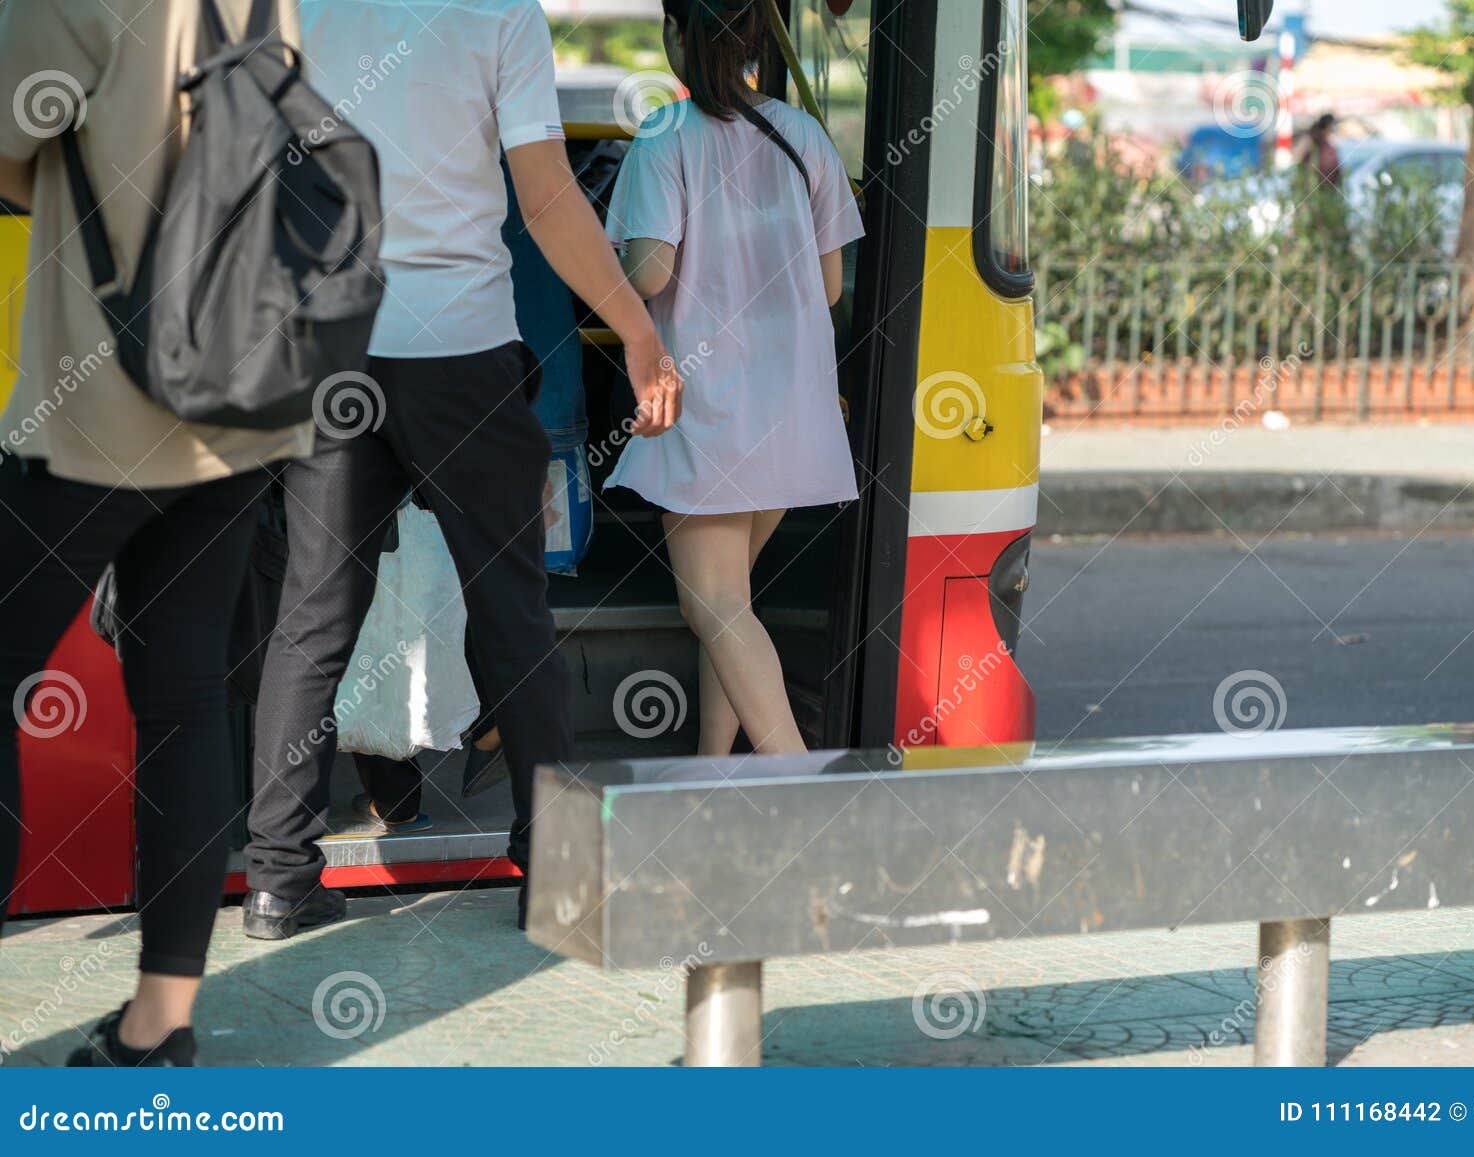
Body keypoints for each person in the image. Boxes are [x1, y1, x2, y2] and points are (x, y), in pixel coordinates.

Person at [241, 0, 681, 938]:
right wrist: (638, 330)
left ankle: (277, 876)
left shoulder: (295, 9)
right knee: (511, 605)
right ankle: (553, 869)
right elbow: (548, 196)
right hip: (461, 348)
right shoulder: (498, 12)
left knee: (315, 610)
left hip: (333, 349)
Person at [0, 1, 314, 1065]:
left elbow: (5, 150)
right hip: (238, 408)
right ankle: (160, 1025)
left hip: (97, 416)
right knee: (184, 702)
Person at [602, 0, 864, 756]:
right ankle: (714, 771)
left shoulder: (666, 135)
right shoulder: (804, 134)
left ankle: (796, 781)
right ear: (754, 40)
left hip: (712, 409)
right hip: (792, 407)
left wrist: (601, 259)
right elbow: (831, 285)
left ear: (676, 34)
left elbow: (651, 269)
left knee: (715, 603)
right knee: (731, 605)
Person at [1301, 114, 1342, 190]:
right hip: (1318, 189)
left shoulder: (1327, 146)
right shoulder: (1317, 146)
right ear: (1328, 126)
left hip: (1325, 188)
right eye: (1332, 127)